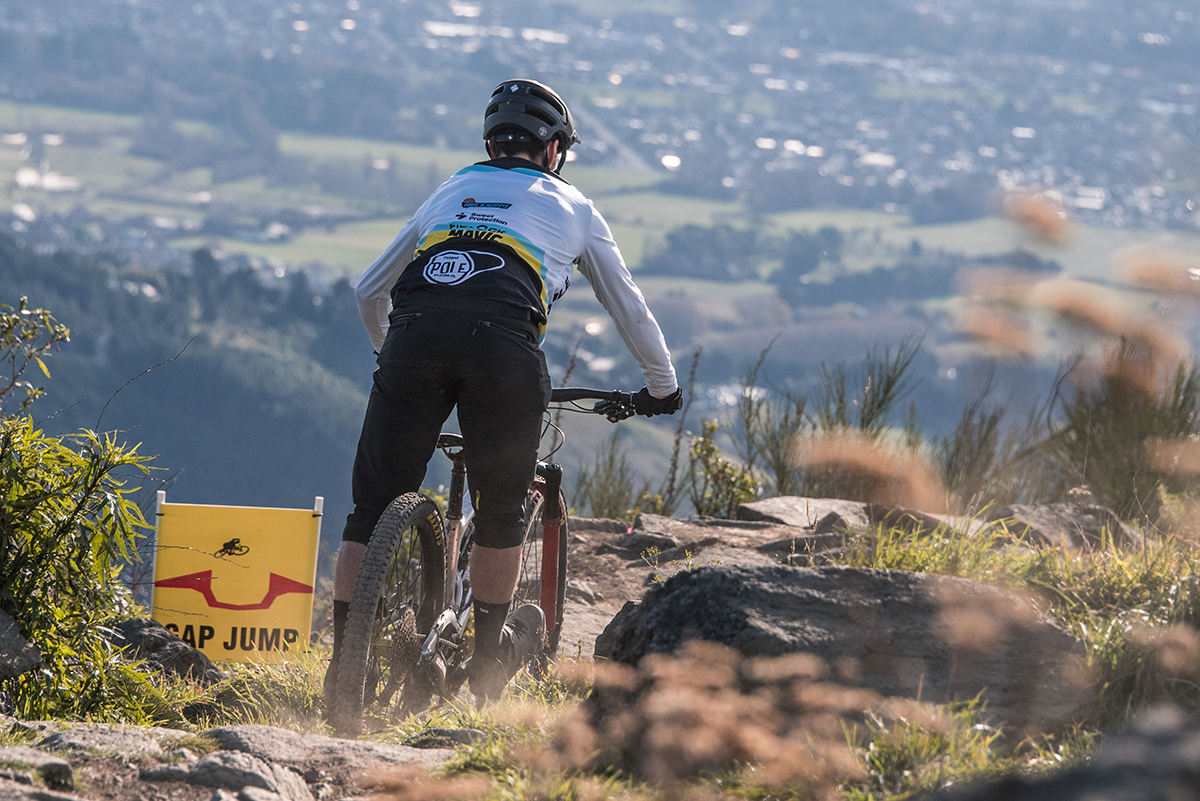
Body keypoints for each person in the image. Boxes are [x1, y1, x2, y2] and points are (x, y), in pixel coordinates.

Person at [327, 79, 682, 705]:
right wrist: (662, 388)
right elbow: (628, 307)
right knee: (500, 514)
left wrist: (394, 356)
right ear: (554, 152)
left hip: (412, 338)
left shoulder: (451, 189)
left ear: (491, 143)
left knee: (369, 511)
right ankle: (488, 673)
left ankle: (342, 670)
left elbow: (367, 290)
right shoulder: (573, 207)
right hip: (503, 350)